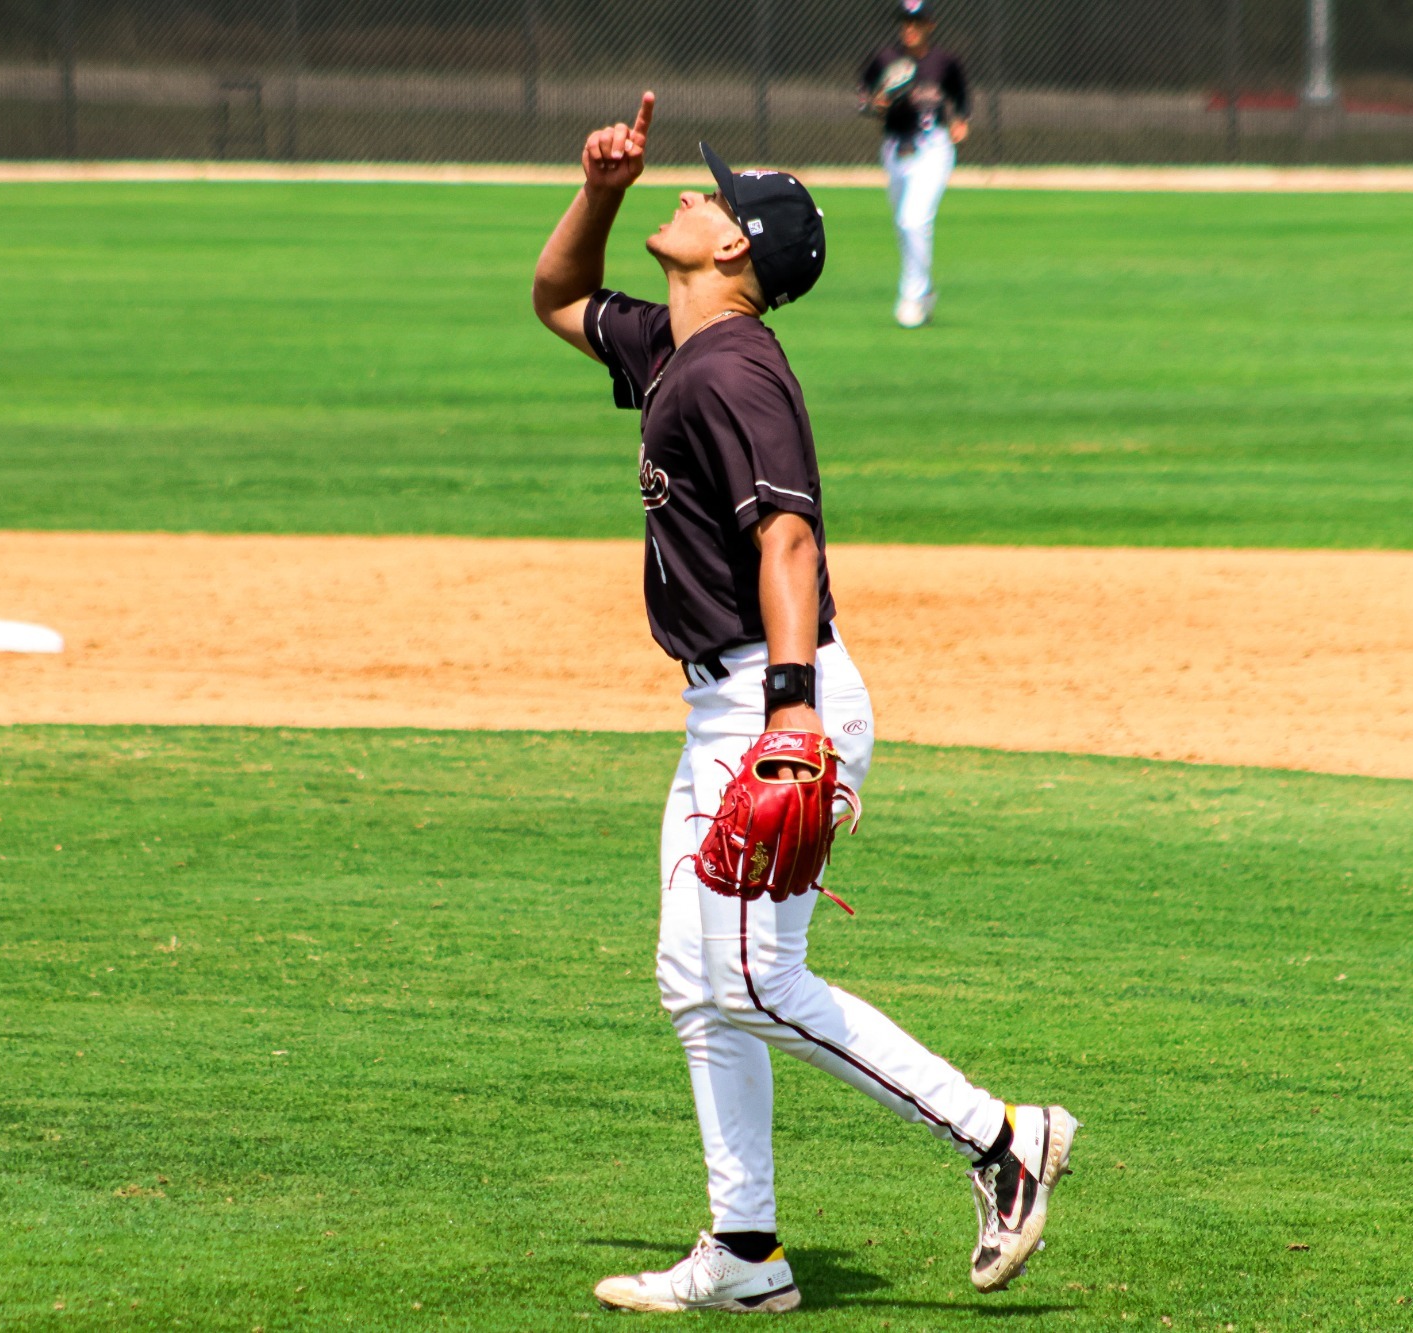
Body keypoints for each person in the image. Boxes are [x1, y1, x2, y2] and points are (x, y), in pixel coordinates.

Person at [531, 91, 1078, 1315]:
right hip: (725, 706)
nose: (691, 190)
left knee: (755, 978)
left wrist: (788, 714)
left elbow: (786, 534)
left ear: (736, 249)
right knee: (696, 975)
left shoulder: (736, 371)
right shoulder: (681, 349)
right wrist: (601, 191)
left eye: (709, 194)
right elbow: (558, 298)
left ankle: (1000, 1137)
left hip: (773, 702)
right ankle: (745, 1251)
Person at [860, 0, 970, 328]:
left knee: (914, 220)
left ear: (930, 24)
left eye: (917, 21)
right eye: (906, 21)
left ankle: (912, 296)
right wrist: (876, 103)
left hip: (933, 147)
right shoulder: (885, 58)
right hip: (896, 148)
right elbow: (864, 98)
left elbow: (961, 96)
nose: (910, 28)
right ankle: (925, 291)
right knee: (904, 226)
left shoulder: (944, 62)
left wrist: (960, 120)